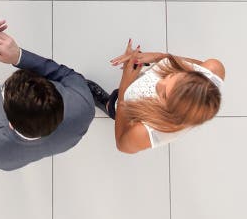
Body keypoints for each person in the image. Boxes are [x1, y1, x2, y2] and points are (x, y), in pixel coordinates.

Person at [0, 20, 95, 171]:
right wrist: (18, 56)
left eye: (3, 91)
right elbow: (65, 75)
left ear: (10, 124)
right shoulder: (83, 105)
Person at [86, 40, 225, 154]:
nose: (159, 82)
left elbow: (122, 144)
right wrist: (157, 57)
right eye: (172, 76)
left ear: (172, 113)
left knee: (116, 106)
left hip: (129, 107)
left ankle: (108, 104)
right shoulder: (214, 69)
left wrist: (125, 85)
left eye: (164, 95)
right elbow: (190, 64)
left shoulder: (148, 130)